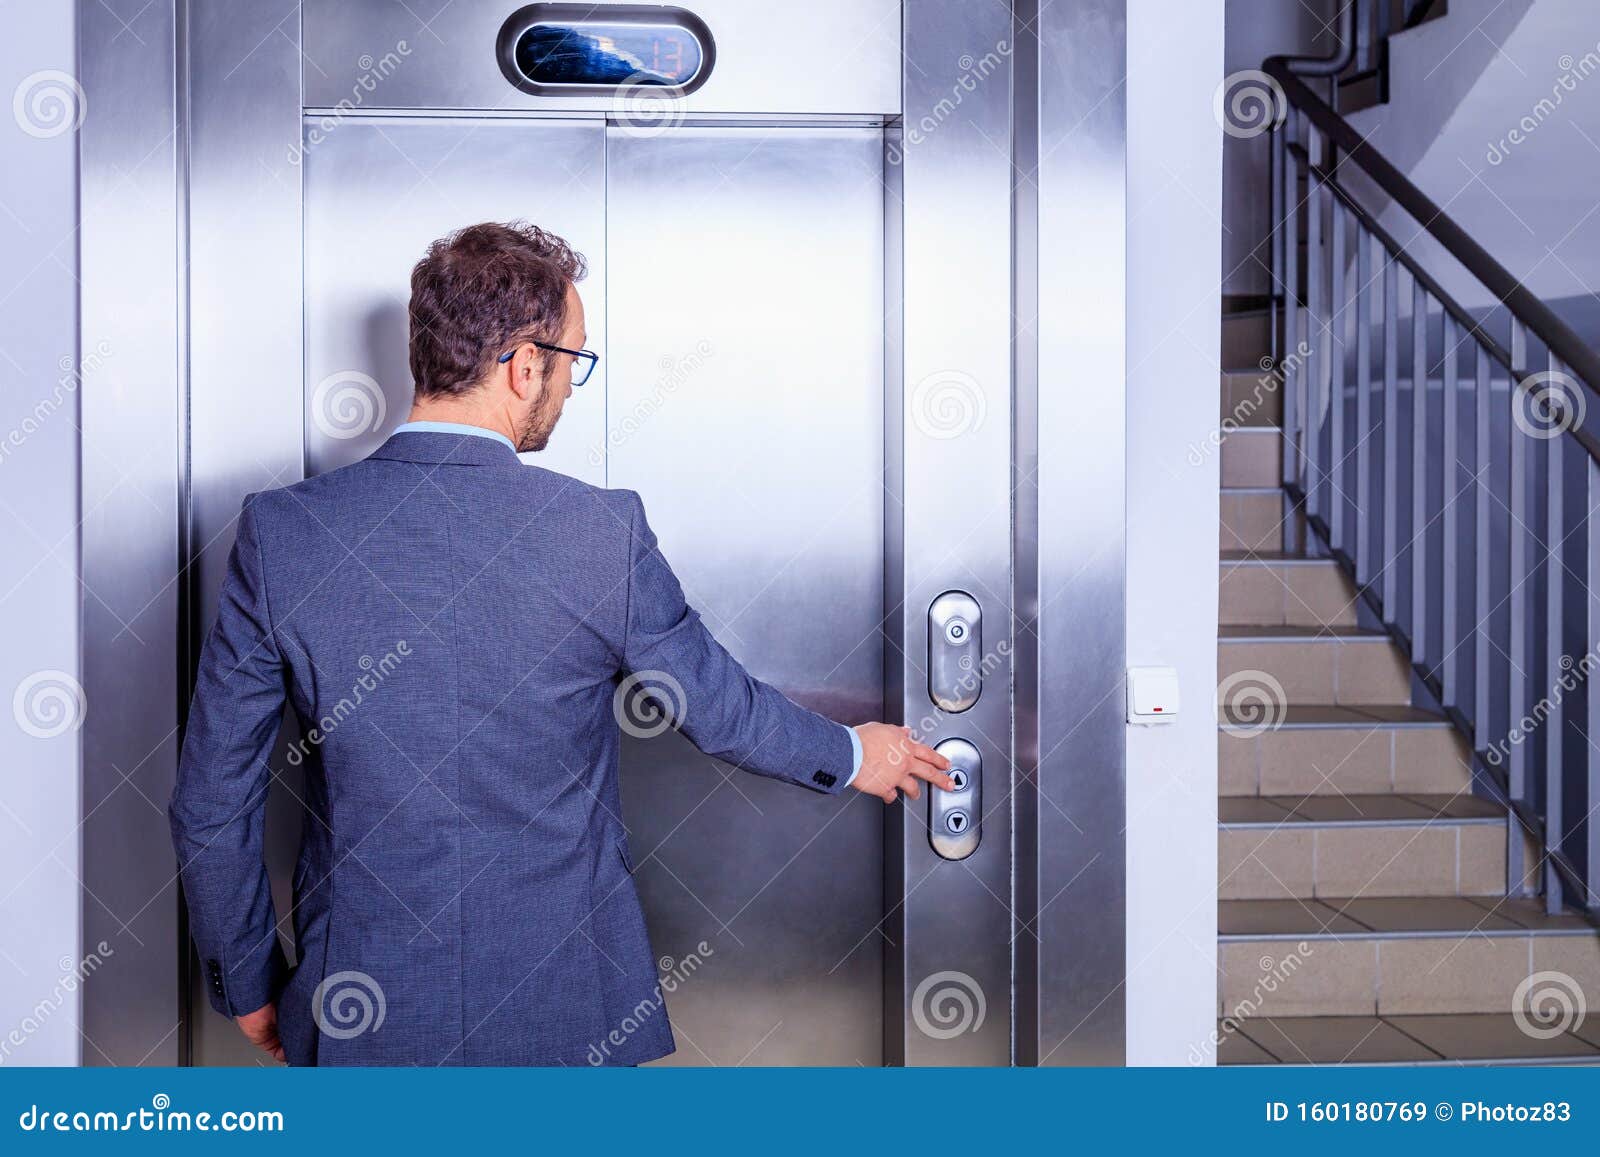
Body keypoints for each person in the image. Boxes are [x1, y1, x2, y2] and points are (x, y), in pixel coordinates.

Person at [168, 221, 953, 1066]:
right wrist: (852, 753)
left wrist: (247, 981)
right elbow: (718, 707)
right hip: (569, 1009)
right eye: (574, 360)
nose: (572, 387)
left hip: (360, 1012)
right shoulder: (596, 532)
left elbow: (213, 799)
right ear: (523, 364)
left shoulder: (286, 534)